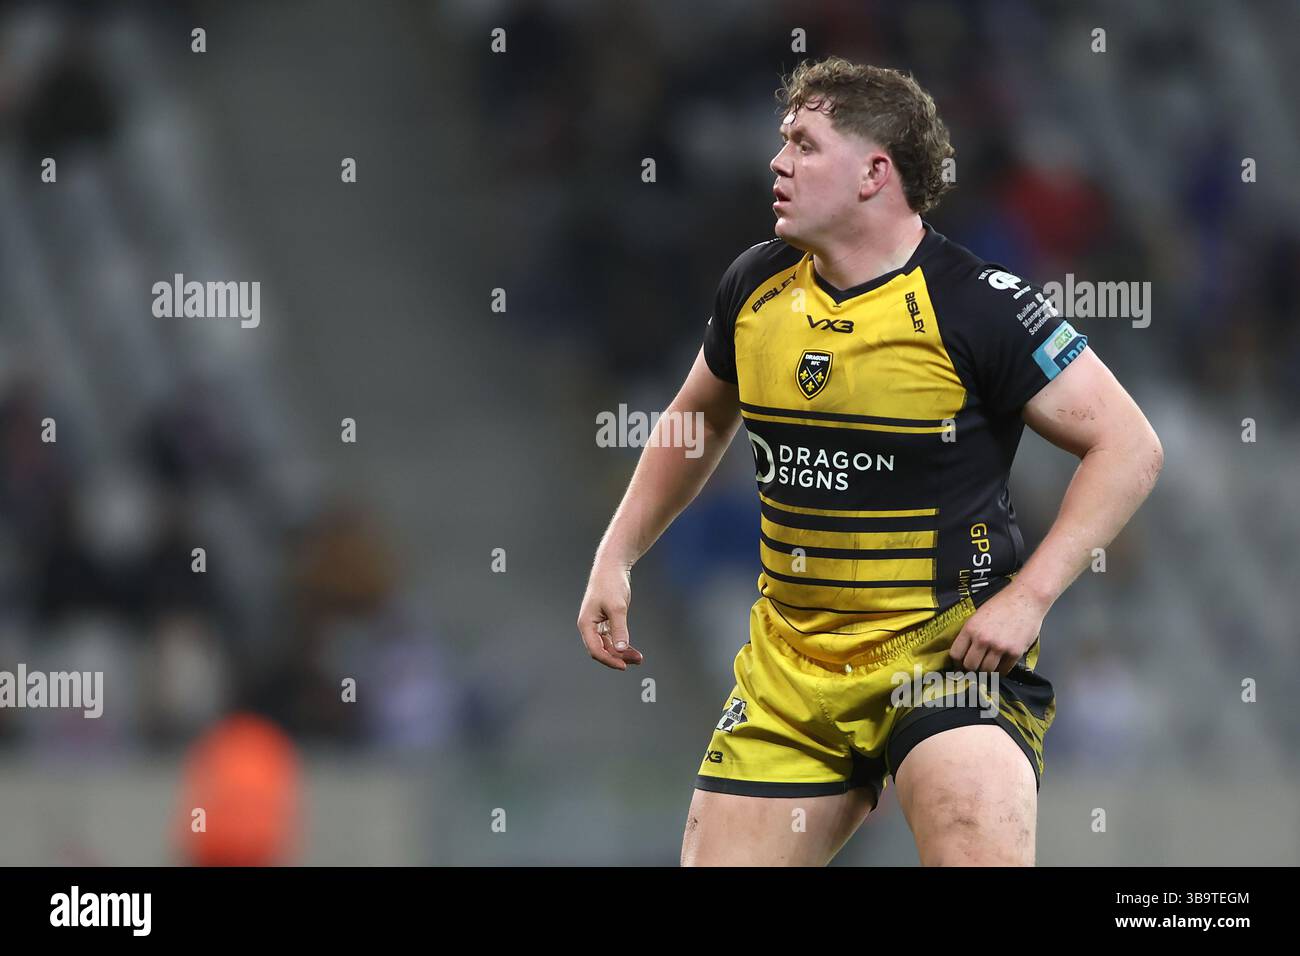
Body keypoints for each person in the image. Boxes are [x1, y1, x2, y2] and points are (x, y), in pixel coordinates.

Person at [576, 56, 1162, 866]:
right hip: (791, 678)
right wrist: (617, 554)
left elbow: (1129, 445)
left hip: (949, 659)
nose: (778, 163)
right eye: (784, 142)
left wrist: (1029, 599)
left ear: (874, 172)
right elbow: (693, 424)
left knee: (970, 839)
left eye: (805, 145)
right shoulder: (754, 286)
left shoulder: (978, 302)